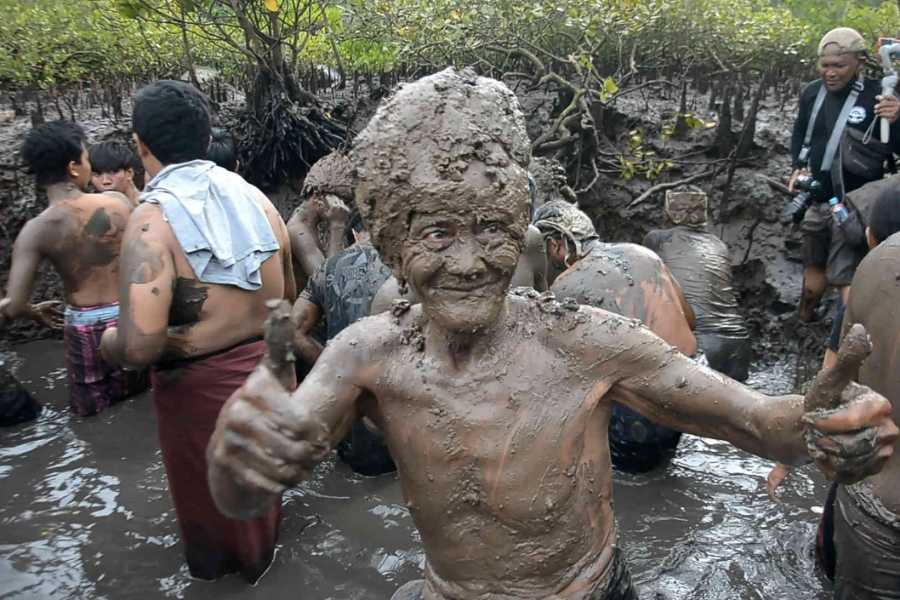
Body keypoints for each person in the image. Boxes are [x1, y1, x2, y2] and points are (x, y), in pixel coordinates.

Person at [207, 68, 896, 600]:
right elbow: (249, 493)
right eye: (439, 232)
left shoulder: (585, 341)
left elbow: (750, 421)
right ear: (391, 241)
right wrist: (237, 461)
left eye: (492, 229)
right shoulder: (367, 354)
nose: (470, 261)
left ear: (522, 227)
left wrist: (814, 425)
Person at [98, 80, 295, 583]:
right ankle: (268, 574)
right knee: (259, 495)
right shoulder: (258, 201)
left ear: (141, 146)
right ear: (207, 138)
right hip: (271, 376)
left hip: (201, 394)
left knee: (215, 525)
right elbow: (289, 297)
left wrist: (107, 343)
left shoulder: (150, 223)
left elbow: (139, 345)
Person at [534, 199, 697, 472]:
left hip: (638, 415)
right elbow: (690, 319)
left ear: (556, 245)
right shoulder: (643, 254)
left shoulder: (568, 284)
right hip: (691, 392)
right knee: (659, 471)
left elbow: (553, 372)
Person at [0, 120, 145, 417]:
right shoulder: (116, 203)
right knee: (140, 391)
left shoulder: (36, 230)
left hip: (84, 324)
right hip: (130, 314)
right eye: (87, 157)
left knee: (91, 408)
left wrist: (32, 310)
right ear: (74, 167)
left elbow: (13, 304)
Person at [815, 190, 900, 598]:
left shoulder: (875, 267)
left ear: (869, 235)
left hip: (872, 505)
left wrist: (786, 457)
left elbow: (828, 391)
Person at [789, 27, 900, 322]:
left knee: (847, 274)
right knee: (813, 264)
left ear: (860, 62)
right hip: (818, 196)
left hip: (856, 204)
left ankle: (850, 340)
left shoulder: (880, 95)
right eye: (825, 66)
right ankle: (804, 320)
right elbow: (800, 134)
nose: (831, 73)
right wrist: (796, 166)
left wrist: (897, 118)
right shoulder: (812, 92)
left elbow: (895, 147)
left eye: (839, 65)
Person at [291, 192, 396, 476]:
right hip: (405, 418)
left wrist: (337, 371)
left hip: (350, 422)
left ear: (356, 232)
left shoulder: (331, 268)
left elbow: (293, 330)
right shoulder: (416, 266)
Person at [644, 190, 751, 381]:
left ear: (669, 214)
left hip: (698, 344)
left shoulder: (657, 239)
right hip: (738, 344)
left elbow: (644, 284)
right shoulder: (718, 245)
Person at [286, 151, 354, 292]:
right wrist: (337, 226)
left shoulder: (315, 225)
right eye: (341, 201)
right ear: (319, 196)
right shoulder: (297, 231)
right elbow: (330, 288)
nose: (344, 208)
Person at [89, 140, 141, 206]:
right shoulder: (88, 211)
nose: (105, 181)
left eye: (112, 172)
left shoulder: (152, 206)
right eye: (97, 174)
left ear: (129, 173)